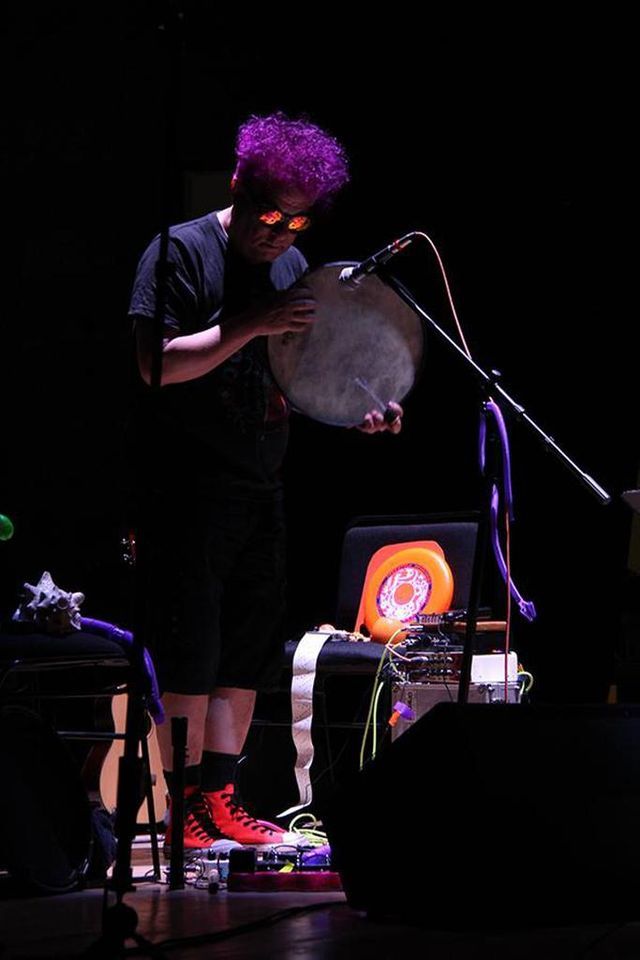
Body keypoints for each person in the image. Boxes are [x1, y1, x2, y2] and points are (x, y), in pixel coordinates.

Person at [127, 111, 403, 855]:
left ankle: (222, 799)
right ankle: (182, 804)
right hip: (188, 486)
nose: (280, 234)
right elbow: (155, 364)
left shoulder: (291, 267)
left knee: (246, 652)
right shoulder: (177, 251)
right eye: (271, 215)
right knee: (193, 649)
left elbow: (305, 376)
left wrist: (355, 411)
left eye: (299, 221)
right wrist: (252, 322)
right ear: (240, 187)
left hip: (261, 485)